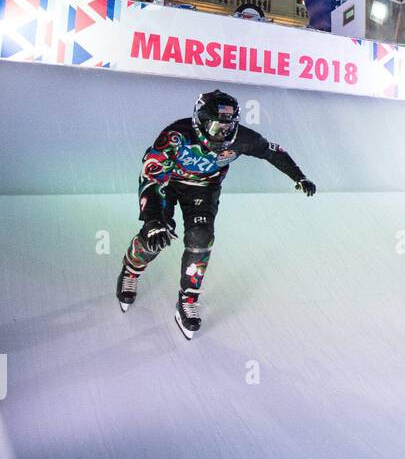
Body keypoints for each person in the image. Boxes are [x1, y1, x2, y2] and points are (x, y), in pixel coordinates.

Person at [116, 89, 316, 338]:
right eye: (215, 127)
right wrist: (153, 220)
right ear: (199, 121)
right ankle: (131, 270)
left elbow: (272, 151)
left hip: (204, 190)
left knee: (201, 239)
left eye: (228, 127)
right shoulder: (175, 135)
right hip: (168, 184)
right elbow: (151, 175)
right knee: (154, 237)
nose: (222, 134)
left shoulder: (242, 138)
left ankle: (188, 297)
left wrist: (299, 176)